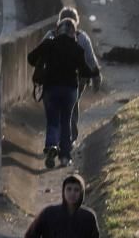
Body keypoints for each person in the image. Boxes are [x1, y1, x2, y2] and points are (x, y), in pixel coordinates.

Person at [28, 18, 95, 168]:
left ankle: (52, 145)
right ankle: (65, 156)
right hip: (70, 90)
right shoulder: (77, 49)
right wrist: (92, 72)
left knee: (52, 120)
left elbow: (31, 58)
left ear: (57, 30)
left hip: (51, 89)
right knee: (66, 121)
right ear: (73, 32)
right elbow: (86, 71)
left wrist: (43, 61)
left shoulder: (49, 44)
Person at [46, 7, 101, 148]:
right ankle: (70, 138)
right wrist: (96, 78)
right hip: (75, 80)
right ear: (76, 22)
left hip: (53, 80)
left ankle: (56, 140)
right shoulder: (82, 37)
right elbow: (90, 59)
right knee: (72, 106)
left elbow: (41, 55)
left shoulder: (51, 35)